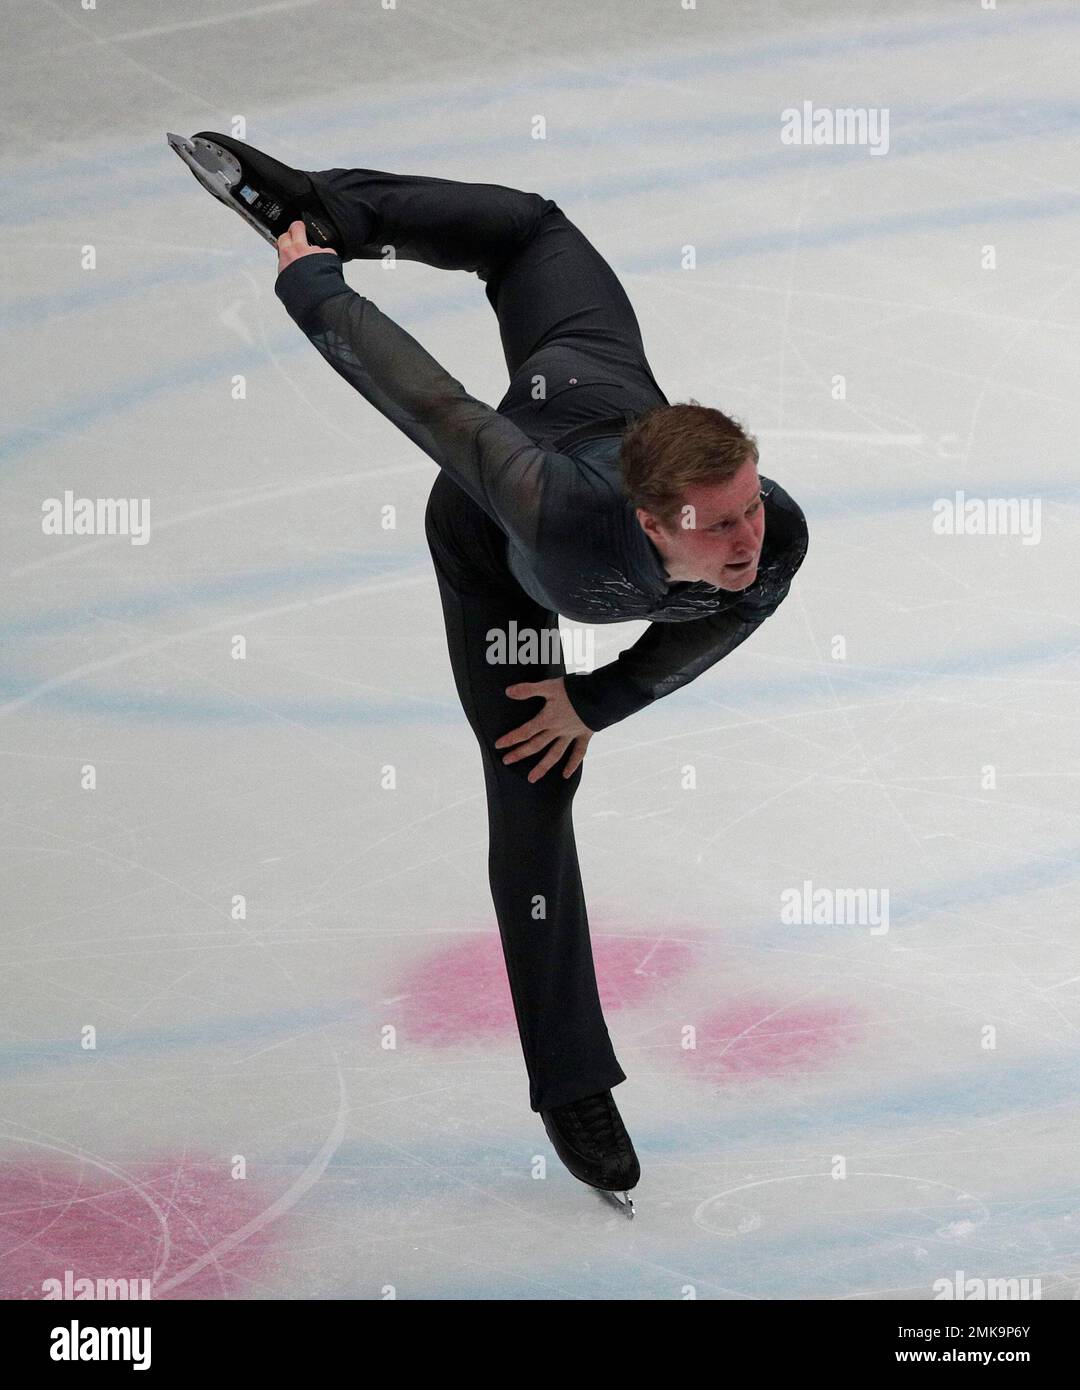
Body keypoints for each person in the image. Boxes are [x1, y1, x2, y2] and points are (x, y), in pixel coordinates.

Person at [171, 132, 809, 1216]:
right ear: (654, 524)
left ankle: (316, 198)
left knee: (530, 228)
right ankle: (573, 1082)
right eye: (722, 523)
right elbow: (425, 398)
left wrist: (599, 700)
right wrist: (311, 284)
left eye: (752, 502)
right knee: (533, 789)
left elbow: (725, 621)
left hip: (593, 381)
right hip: (491, 553)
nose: (751, 535)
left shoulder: (769, 528)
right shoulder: (549, 511)